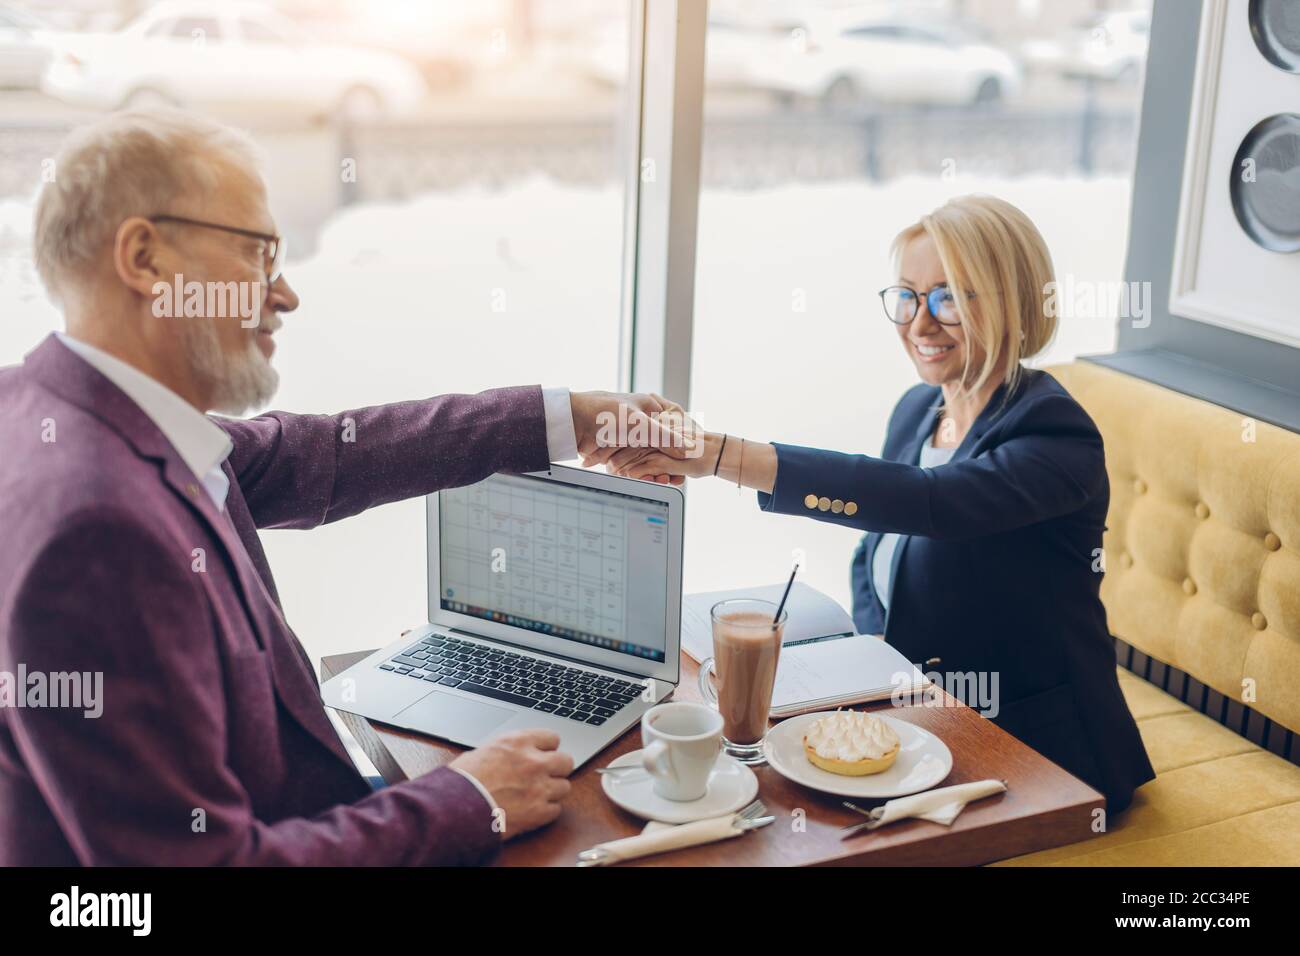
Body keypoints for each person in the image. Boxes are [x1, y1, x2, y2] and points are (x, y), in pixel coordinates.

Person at [0, 109, 675, 865]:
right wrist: (470, 801)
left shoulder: (57, 410)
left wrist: (568, 419)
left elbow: (329, 453)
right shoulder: (96, 529)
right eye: (259, 253)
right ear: (146, 259)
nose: (283, 295)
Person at [599, 195, 1155, 813]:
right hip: (926, 725)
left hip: (1037, 752)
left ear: (1014, 303)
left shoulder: (1055, 435)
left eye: (949, 296)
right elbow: (876, 554)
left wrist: (720, 455)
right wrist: (869, 671)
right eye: (908, 296)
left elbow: (933, 505)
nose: (919, 323)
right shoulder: (919, 411)